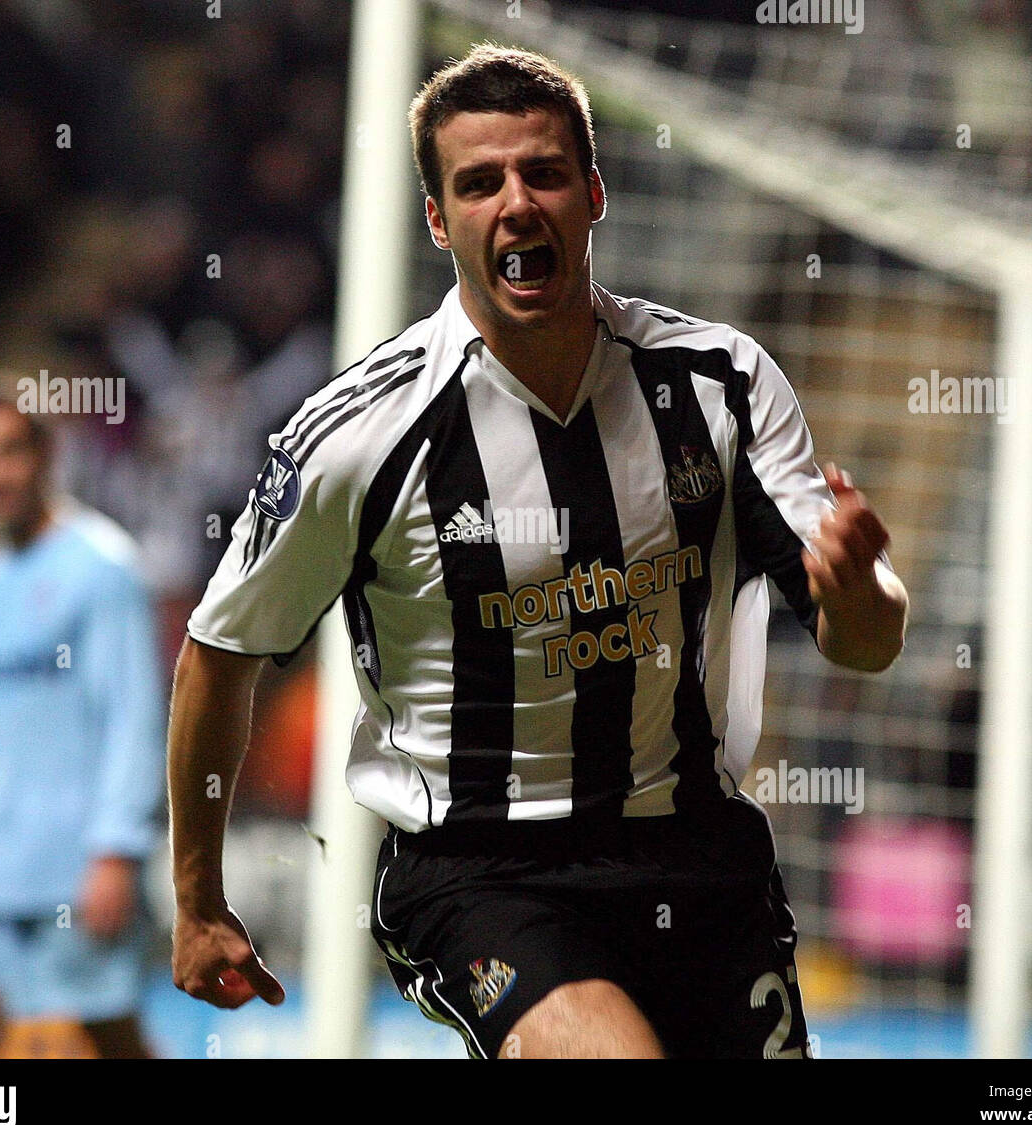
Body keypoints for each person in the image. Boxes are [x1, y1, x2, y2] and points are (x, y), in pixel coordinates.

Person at [168, 45, 908, 1059]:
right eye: (478, 182)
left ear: (593, 193)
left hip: (695, 850)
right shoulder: (358, 437)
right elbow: (221, 651)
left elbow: (862, 642)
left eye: (544, 172)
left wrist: (858, 586)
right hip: (482, 871)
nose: (516, 203)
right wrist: (199, 902)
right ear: (438, 221)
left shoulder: (718, 386)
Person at [0, 370, 165, 1059]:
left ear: (44, 454)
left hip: (72, 860)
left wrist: (116, 849)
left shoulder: (104, 568)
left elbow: (134, 720)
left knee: (106, 1039)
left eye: (6, 450)